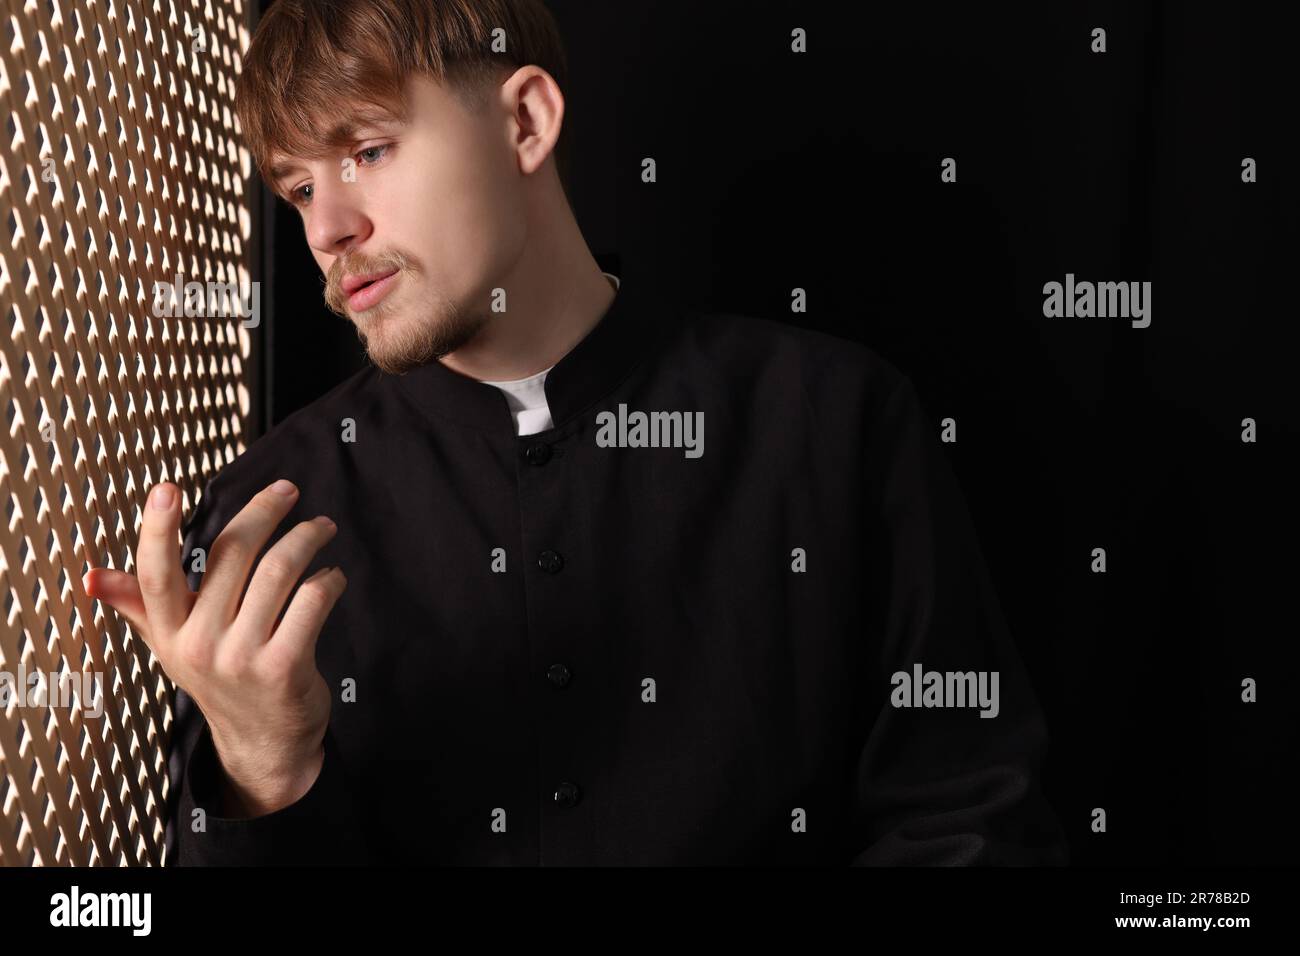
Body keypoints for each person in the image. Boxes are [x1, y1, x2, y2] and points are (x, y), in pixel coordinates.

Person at [84, 0, 1069, 865]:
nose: (325, 229)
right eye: (298, 188)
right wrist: (261, 767)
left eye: (367, 149)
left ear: (524, 121)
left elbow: (970, 813)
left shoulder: (836, 421)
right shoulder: (271, 508)